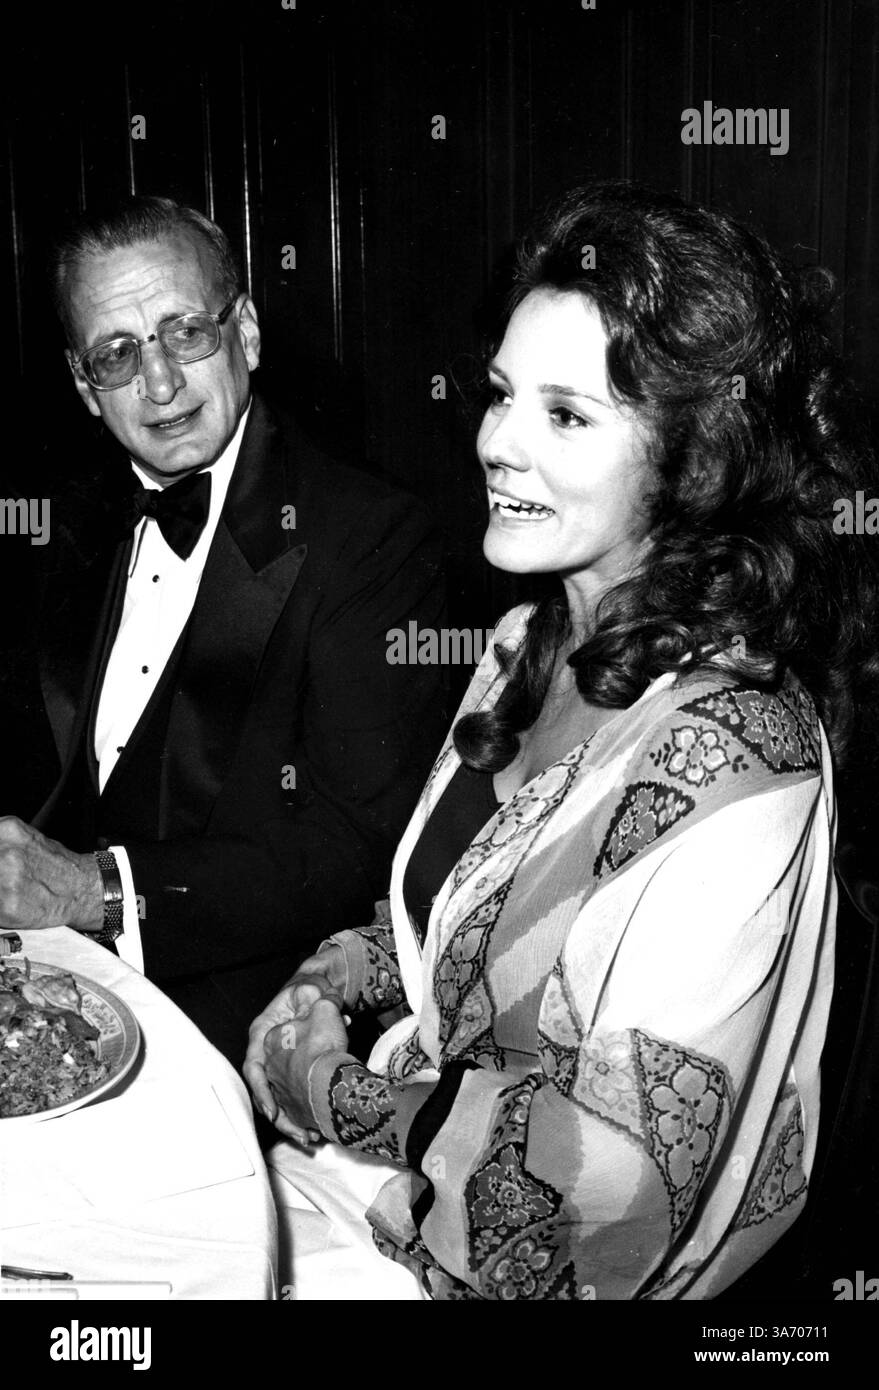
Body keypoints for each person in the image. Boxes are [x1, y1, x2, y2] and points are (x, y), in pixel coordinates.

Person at [245, 180, 879, 1300]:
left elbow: (614, 1199)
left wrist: (330, 1090)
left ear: (695, 458)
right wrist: (347, 967)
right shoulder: (525, 637)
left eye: (566, 414)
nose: (495, 442)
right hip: (389, 1192)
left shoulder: (736, 757)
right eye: (500, 395)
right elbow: (482, 923)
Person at [0, 195, 447, 1065]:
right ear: (83, 385)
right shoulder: (58, 517)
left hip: (229, 1022)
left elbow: (355, 848)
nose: (158, 383)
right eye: (117, 354)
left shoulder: (373, 537)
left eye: (184, 332)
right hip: (40, 991)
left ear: (243, 333)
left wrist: (89, 893)